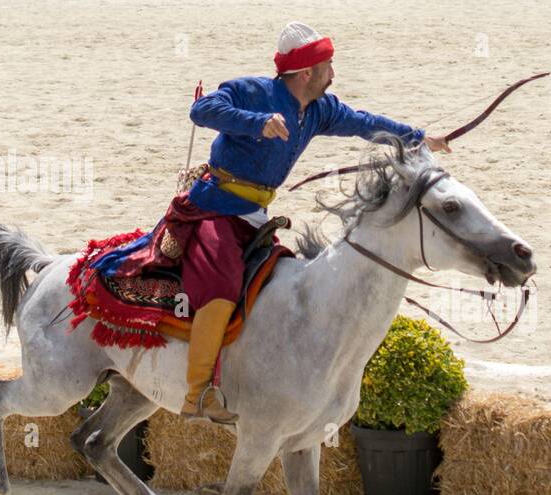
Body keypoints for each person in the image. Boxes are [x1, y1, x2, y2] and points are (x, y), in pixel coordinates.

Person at [172, 21, 451, 423]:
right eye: (328, 66)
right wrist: (257, 122)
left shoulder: (319, 110)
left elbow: (363, 122)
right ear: (306, 73)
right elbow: (202, 110)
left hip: (256, 216)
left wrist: (418, 138)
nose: (333, 74)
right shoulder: (252, 91)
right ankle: (197, 394)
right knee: (221, 287)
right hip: (214, 208)